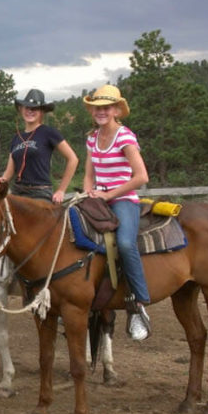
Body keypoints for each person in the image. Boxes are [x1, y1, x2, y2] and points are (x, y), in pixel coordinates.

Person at [82, 84, 152, 341]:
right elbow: (88, 175)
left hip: (123, 200)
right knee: (71, 232)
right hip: (98, 199)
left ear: (116, 110)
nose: (101, 111)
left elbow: (141, 176)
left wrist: (109, 195)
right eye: (97, 107)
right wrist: (88, 193)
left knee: (124, 243)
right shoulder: (92, 138)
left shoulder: (125, 137)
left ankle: (139, 304)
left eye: (106, 107)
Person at [0, 89, 78, 204]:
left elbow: (73, 159)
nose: (30, 111)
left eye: (34, 108)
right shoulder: (16, 138)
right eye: (27, 107)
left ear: (41, 112)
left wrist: (61, 190)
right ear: (21, 109)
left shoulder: (48, 132)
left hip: (40, 192)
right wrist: (2, 180)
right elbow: (10, 170)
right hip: (17, 191)